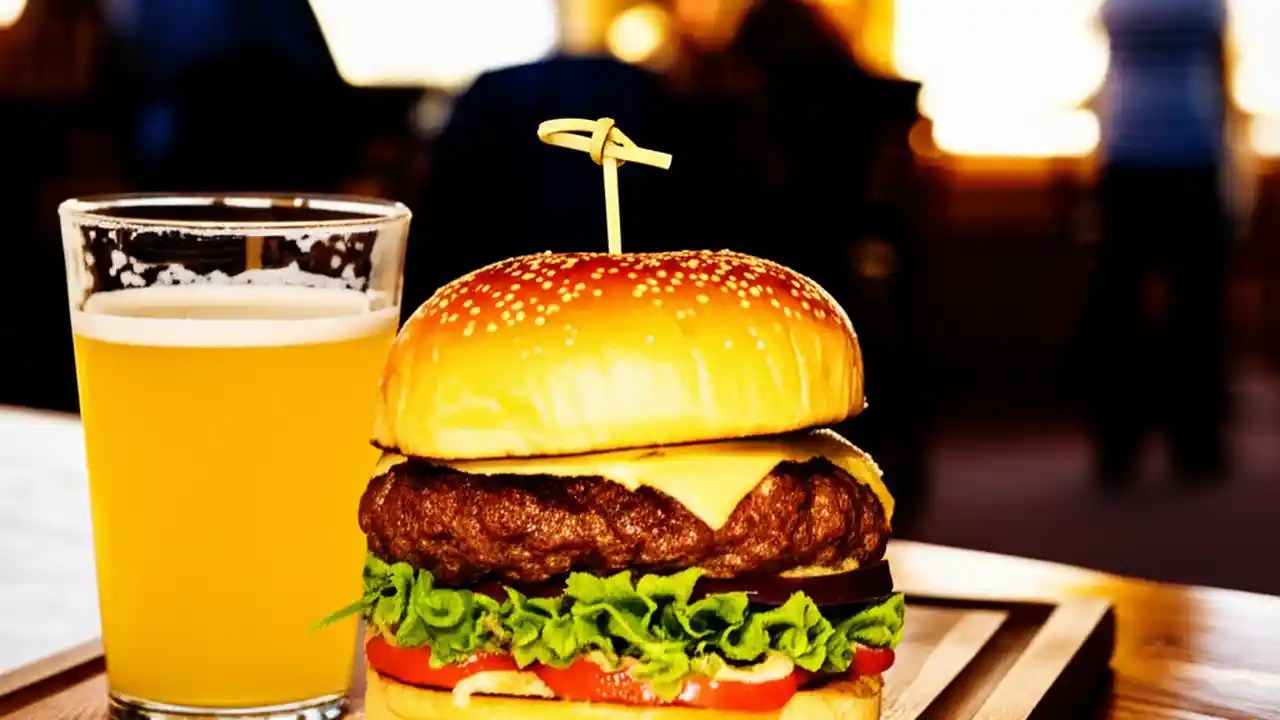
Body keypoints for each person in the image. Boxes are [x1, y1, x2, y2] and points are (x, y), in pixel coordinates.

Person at [1080, 0, 1232, 485]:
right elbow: (1219, 69)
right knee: (1180, 306)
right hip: (1174, 150)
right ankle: (1186, 442)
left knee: (1144, 304)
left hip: (1148, 150)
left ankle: (1125, 444)